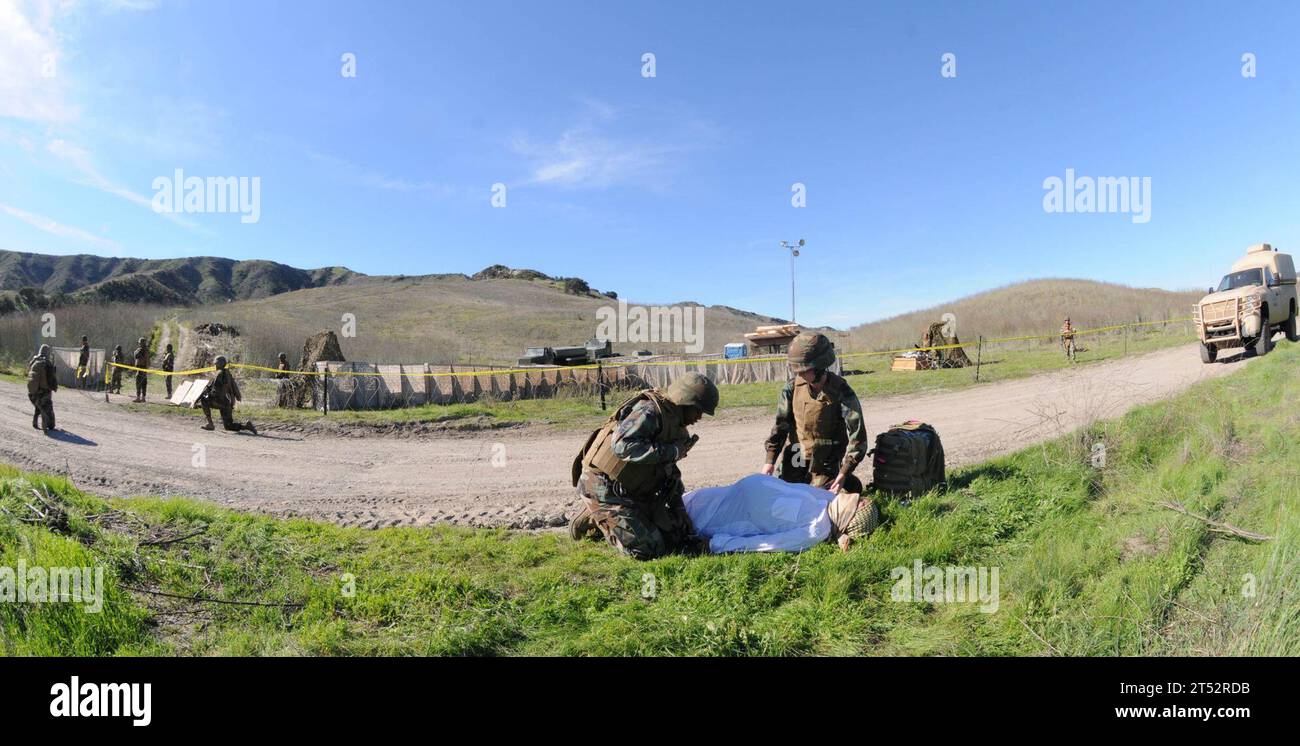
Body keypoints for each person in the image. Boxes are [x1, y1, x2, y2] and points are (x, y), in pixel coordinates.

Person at [569, 372, 719, 560]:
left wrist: (680, 514)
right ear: (684, 401)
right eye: (698, 410)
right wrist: (672, 451)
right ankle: (594, 515)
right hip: (602, 486)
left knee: (675, 537)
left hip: (632, 489)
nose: (699, 417)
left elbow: (669, 473)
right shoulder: (649, 412)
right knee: (648, 549)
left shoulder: (676, 426)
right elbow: (622, 446)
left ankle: (620, 515)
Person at [762, 331, 868, 495]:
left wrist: (844, 472)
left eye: (804, 370)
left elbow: (858, 436)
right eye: (796, 370)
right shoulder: (792, 388)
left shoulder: (841, 391)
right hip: (797, 454)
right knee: (785, 494)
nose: (799, 374)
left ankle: (844, 480)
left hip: (826, 458)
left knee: (816, 497)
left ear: (819, 366)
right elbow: (780, 426)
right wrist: (770, 461)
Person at [682, 474, 880, 553]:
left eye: (860, 505)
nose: (860, 500)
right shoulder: (830, 501)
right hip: (736, 493)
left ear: (850, 519)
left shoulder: (817, 531)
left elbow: (768, 544)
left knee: (691, 518)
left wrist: (716, 544)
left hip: (737, 515)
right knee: (689, 500)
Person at [197, 355, 258, 434]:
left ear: (220, 364)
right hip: (226, 403)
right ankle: (246, 426)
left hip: (220, 401)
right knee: (229, 426)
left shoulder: (219, 374)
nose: (215, 365)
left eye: (216, 364)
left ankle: (210, 424)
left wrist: (205, 396)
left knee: (203, 400)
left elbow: (216, 391)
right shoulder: (227, 373)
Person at [26, 344, 58, 431]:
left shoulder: (33, 361)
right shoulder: (47, 363)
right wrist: (54, 387)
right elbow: (52, 379)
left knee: (38, 405)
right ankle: (49, 422)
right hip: (44, 392)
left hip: (32, 393)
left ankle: (35, 421)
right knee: (48, 405)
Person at [131, 337, 150, 403]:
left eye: (140, 343)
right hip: (144, 368)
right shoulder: (146, 350)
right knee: (144, 383)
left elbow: (136, 355)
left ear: (142, 343)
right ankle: (143, 398)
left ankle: (138, 398)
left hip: (141, 368)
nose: (139, 344)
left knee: (138, 383)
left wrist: (136, 350)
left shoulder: (141, 350)